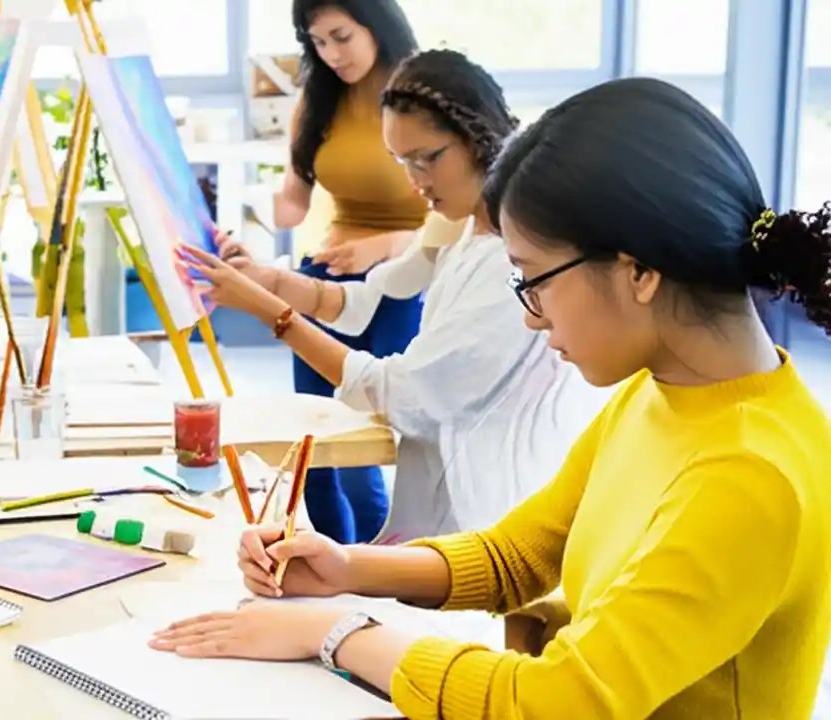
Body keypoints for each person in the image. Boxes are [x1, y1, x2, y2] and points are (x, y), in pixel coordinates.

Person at [155, 77, 831, 719]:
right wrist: (344, 568)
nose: (532, 318)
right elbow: (524, 554)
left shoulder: (749, 472)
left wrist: (333, 632)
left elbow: (557, 702)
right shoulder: (672, 390)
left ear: (638, 271)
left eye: (533, 281)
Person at [184, 50, 604, 542]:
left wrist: (268, 310)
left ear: (481, 138)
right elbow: (361, 303)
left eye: (428, 158)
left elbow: (399, 393)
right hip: (445, 513)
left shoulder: (508, 267)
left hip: (488, 520)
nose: (415, 180)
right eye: (403, 161)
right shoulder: (459, 228)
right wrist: (266, 280)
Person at [272, 0, 433, 544]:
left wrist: (383, 246)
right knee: (312, 452)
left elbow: (463, 217)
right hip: (327, 277)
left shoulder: (426, 93)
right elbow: (291, 207)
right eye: (317, 42)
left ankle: (373, 576)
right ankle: (327, 575)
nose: (331, 54)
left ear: (376, 24)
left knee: (358, 445)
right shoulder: (316, 101)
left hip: (404, 283)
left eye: (341, 36)